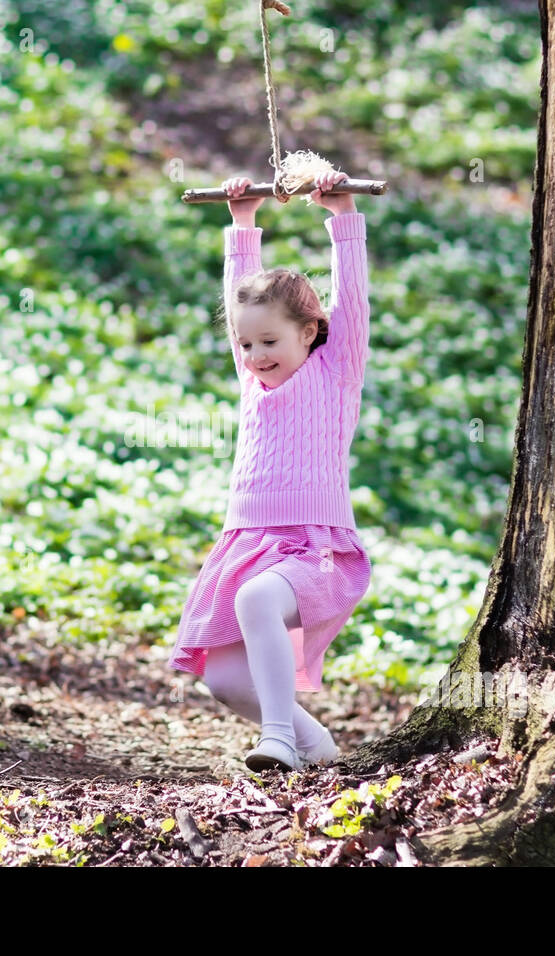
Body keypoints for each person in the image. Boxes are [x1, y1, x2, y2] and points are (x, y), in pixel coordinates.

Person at [167, 169, 374, 772]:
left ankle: (277, 739)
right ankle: (313, 745)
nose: (255, 357)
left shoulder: (334, 372)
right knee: (228, 678)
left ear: (309, 332)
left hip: (315, 549)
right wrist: (242, 223)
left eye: (269, 343)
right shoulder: (252, 382)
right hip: (249, 543)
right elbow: (240, 295)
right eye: (245, 345)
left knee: (260, 599)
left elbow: (354, 304)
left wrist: (343, 218)